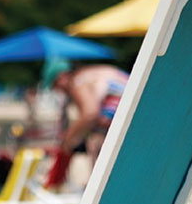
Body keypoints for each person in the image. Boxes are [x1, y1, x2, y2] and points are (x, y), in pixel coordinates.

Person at [41, 58, 129, 188]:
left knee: (95, 142)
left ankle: (100, 189)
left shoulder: (78, 81)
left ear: (62, 77)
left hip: (121, 106)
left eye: (55, 85)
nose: (58, 91)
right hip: (132, 101)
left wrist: (67, 141)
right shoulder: (93, 72)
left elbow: (90, 114)